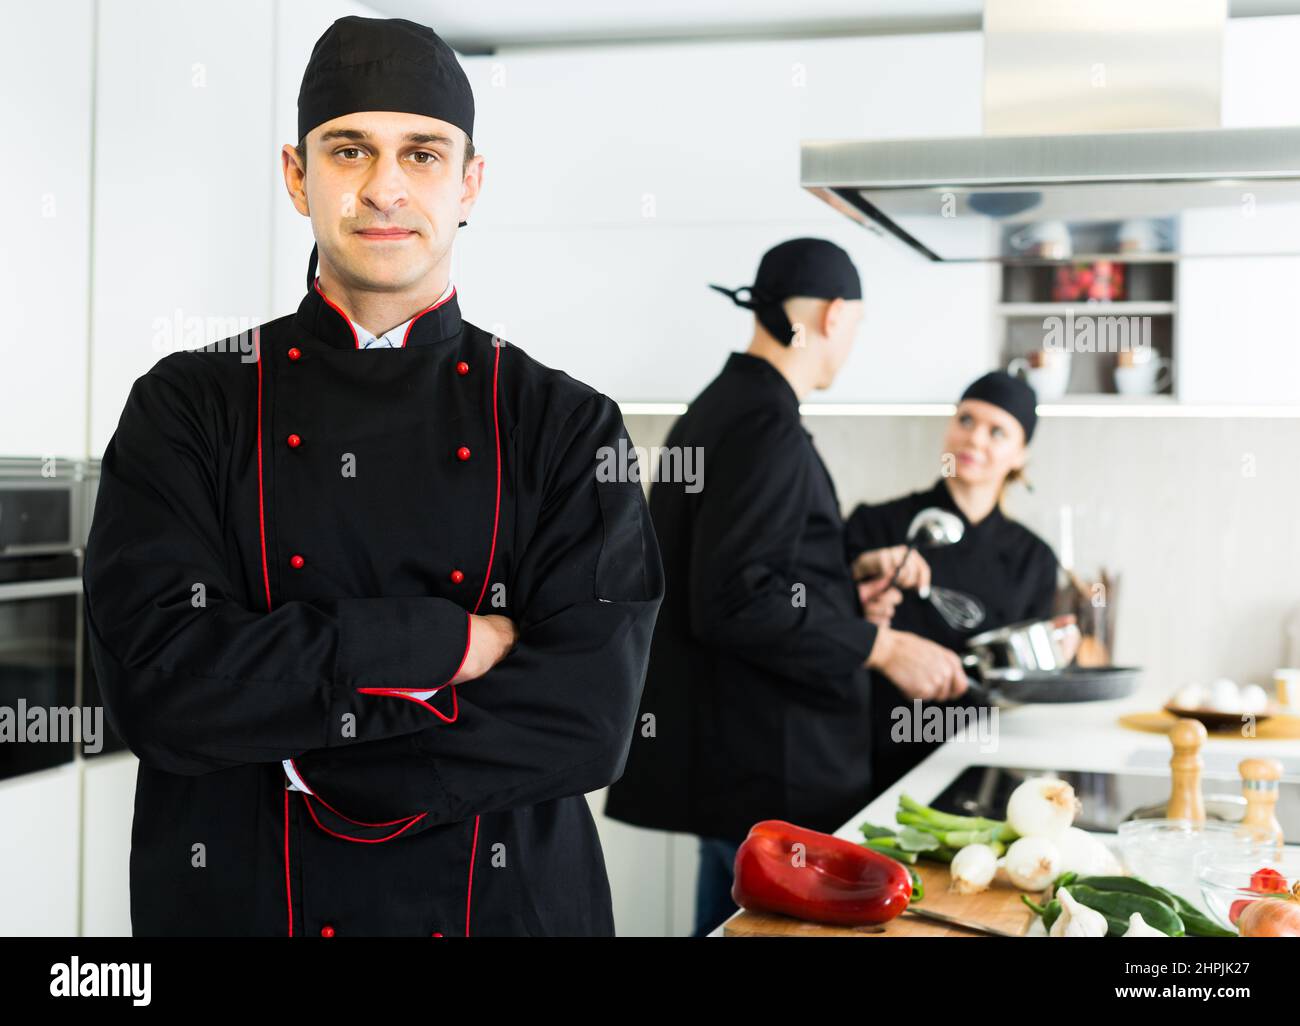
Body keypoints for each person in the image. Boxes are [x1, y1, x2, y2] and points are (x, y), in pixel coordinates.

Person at [82, 15, 664, 937]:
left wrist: (306, 762)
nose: (385, 187)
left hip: (504, 913)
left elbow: (588, 719)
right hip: (242, 908)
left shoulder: (565, 421)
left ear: (470, 182)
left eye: (423, 154)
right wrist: (448, 646)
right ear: (296, 175)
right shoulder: (189, 404)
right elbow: (161, 683)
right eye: (349, 149)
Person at [603, 238, 967, 936]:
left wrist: (843, 576)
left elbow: (743, 573)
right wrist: (882, 646)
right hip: (768, 758)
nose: (851, 343)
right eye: (856, 327)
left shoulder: (726, 408)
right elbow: (735, 601)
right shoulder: (764, 425)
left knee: (732, 923)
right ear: (833, 317)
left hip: (738, 759)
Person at [843, 371, 1060, 797]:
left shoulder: (1034, 558)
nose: (975, 439)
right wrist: (859, 596)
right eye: (966, 421)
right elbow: (825, 626)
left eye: (997, 432)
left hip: (982, 764)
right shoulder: (876, 525)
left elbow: (1022, 688)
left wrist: (1052, 656)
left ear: (1020, 456)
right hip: (871, 757)